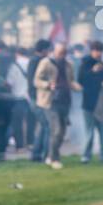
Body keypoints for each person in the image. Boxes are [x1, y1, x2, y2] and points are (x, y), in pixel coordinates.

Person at [34, 41, 78, 170]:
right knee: (56, 130)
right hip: (50, 101)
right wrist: (47, 85)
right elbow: (36, 80)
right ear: (54, 52)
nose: (62, 55)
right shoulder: (46, 63)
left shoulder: (69, 64)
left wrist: (77, 87)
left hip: (65, 100)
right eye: (60, 53)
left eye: (64, 53)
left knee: (62, 131)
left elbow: (71, 81)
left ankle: (50, 155)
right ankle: (55, 158)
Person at [77, 40, 103, 163]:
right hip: (89, 104)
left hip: (102, 104)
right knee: (89, 134)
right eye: (96, 51)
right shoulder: (85, 64)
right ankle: (86, 156)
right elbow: (81, 80)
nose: (98, 54)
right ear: (92, 51)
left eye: (100, 51)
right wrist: (93, 72)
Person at [26, 39, 51, 162]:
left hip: (35, 97)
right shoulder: (38, 61)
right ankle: (46, 154)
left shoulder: (33, 61)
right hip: (38, 97)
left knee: (43, 125)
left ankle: (36, 154)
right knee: (47, 125)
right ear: (44, 50)